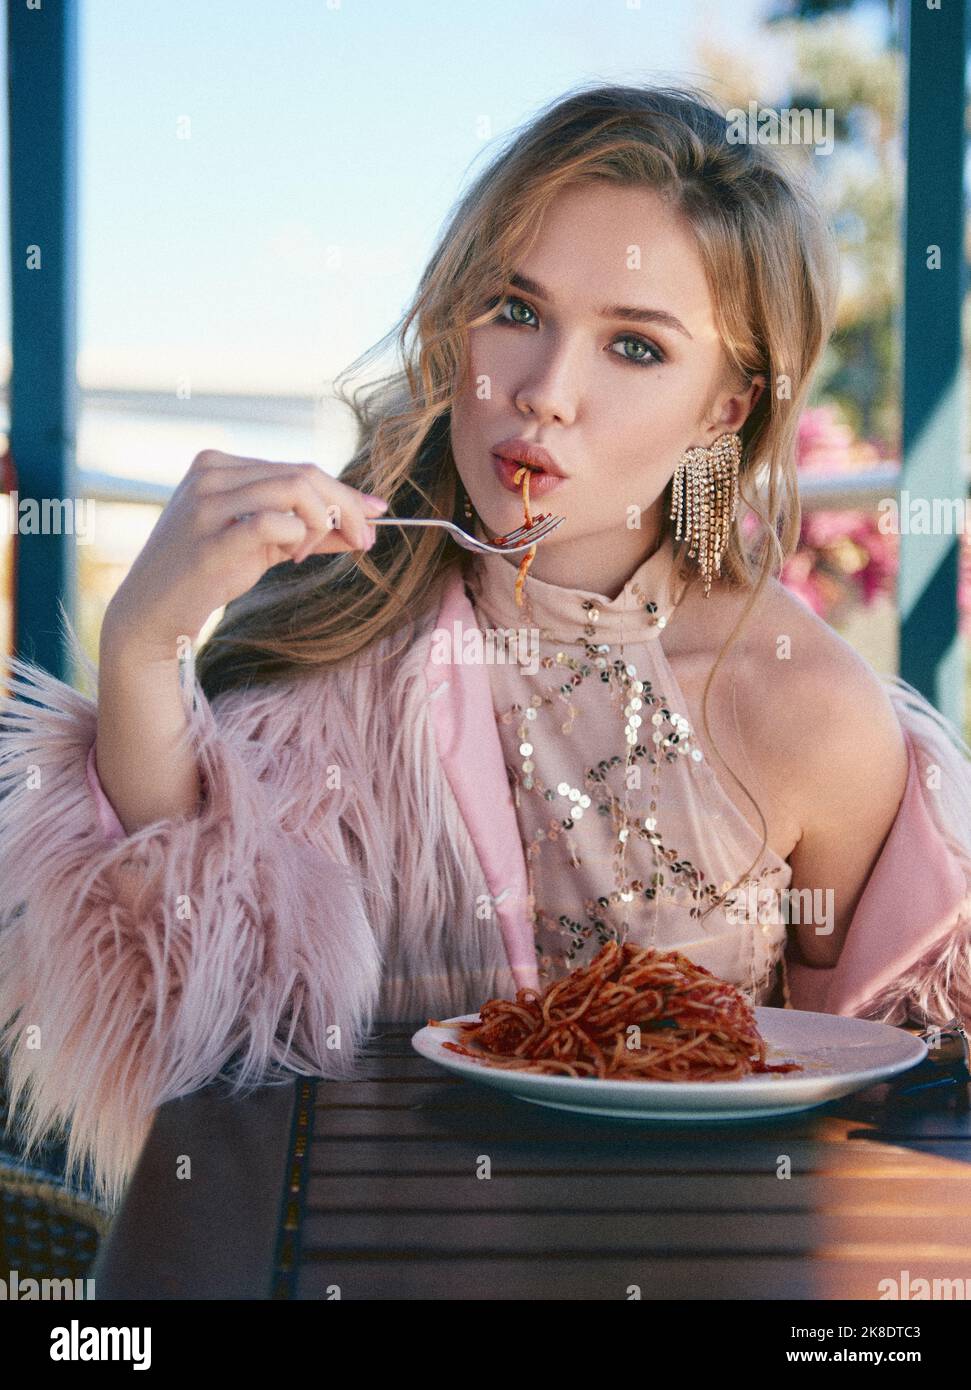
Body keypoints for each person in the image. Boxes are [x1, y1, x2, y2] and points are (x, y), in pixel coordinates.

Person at [1, 83, 969, 1211]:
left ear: (727, 408)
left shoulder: (805, 710)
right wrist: (140, 642)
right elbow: (185, 1026)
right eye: (515, 310)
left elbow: (871, 1121)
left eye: (633, 347)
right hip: (344, 1259)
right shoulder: (325, 643)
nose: (543, 394)